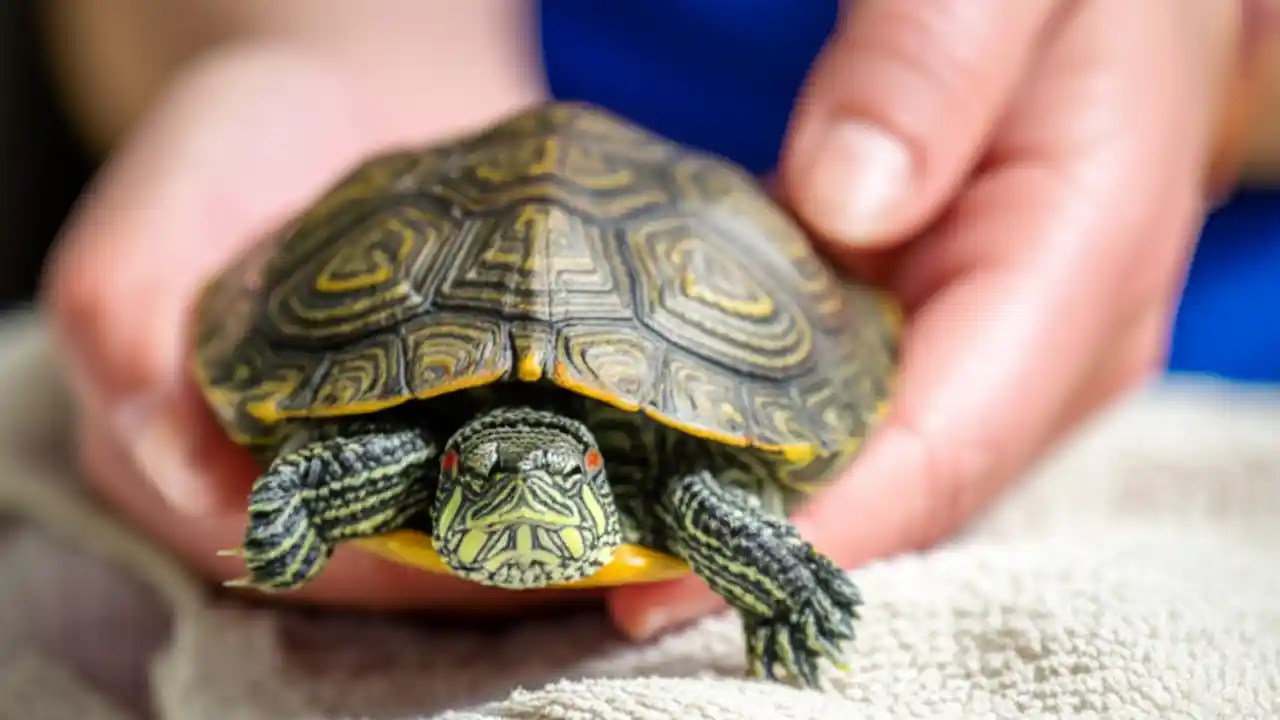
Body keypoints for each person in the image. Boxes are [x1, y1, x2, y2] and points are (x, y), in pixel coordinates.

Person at [38, 1, 1280, 641]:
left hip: (1173, 326)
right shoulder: (415, 455)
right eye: (481, 464)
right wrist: (268, 30)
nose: (521, 474)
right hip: (400, 116)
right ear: (447, 464)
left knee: (709, 498)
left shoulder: (674, 488)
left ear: (598, 470)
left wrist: (1207, 51)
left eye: (560, 463)